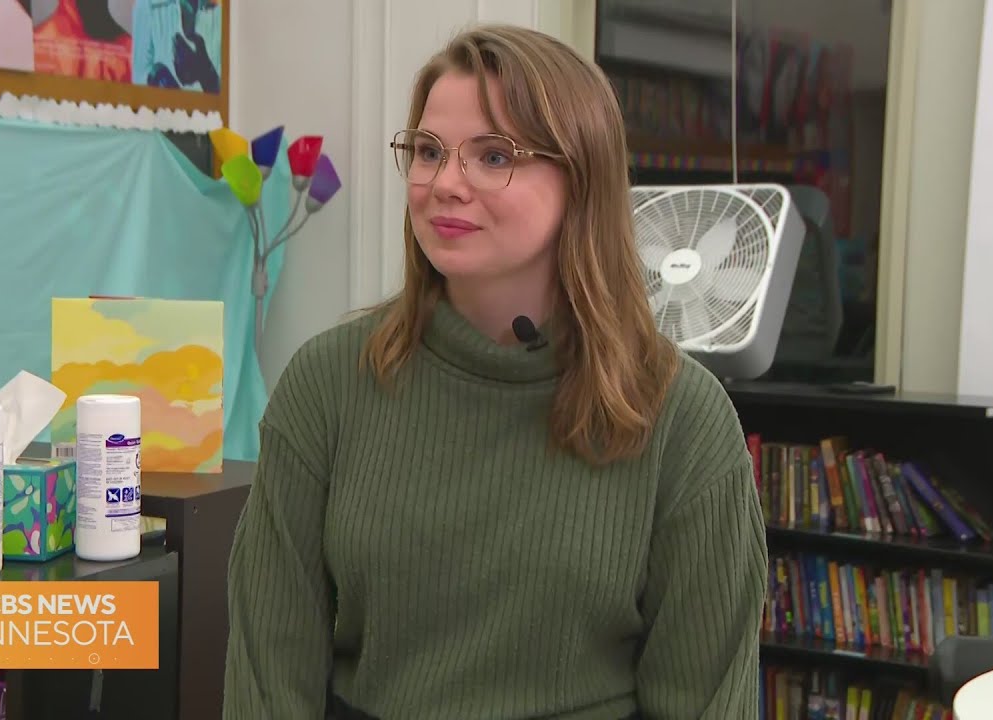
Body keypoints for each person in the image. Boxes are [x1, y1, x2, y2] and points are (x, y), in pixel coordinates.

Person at [223, 24, 767, 720]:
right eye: (427, 152)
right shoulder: (326, 385)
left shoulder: (682, 419)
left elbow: (706, 698)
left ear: (581, 179)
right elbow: (269, 676)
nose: (446, 183)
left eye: (494, 155)